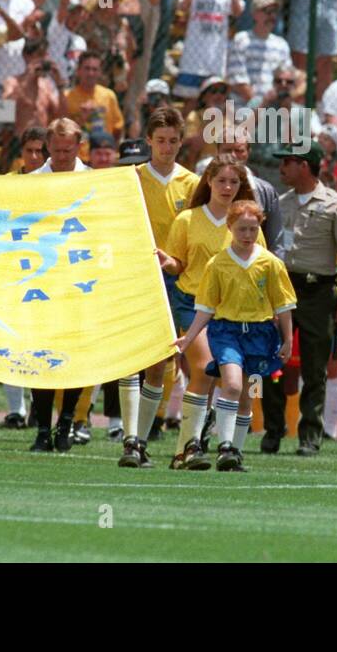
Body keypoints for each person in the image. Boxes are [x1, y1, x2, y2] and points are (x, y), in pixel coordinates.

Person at [173, 200, 295, 472]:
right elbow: (205, 308)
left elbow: (284, 305)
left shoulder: (270, 263)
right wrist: (189, 337)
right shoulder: (217, 263)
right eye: (241, 229)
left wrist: (287, 339)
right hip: (227, 332)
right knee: (231, 385)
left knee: (249, 394)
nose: (247, 235)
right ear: (230, 227)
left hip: (261, 335)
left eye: (252, 229)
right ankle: (225, 446)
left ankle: (235, 452)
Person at [259, 142, 337, 456]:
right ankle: (273, 431)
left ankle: (310, 435)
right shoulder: (279, 203)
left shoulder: (336, 204)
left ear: (304, 165)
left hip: (318, 291)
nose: (281, 168)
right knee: (272, 362)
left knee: (314, 368)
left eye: (287, 162)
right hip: (283, 287)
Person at [157, 153, 257, 469]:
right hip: (192, 303)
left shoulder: (246, 222)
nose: (227, 187)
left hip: (233, 310)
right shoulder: (187, 219)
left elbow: (259, 263)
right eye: (221, 180)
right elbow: (178, 264)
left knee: (237, 380)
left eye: (234, 182)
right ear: (208, 182)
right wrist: (167, 262)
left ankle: (211, 446)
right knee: (203, 368)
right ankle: (188, 447)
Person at [118, 107, 198, 467]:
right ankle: (131, 440)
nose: (166, 148)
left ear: (181, 143)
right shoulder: (130, 179)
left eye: (173, 141)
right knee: (135, 357)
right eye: (160, 140)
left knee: (179, 361)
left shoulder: (193, 184)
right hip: (136, 277)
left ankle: (175, 441)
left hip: (180, 279)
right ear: (148, 140)